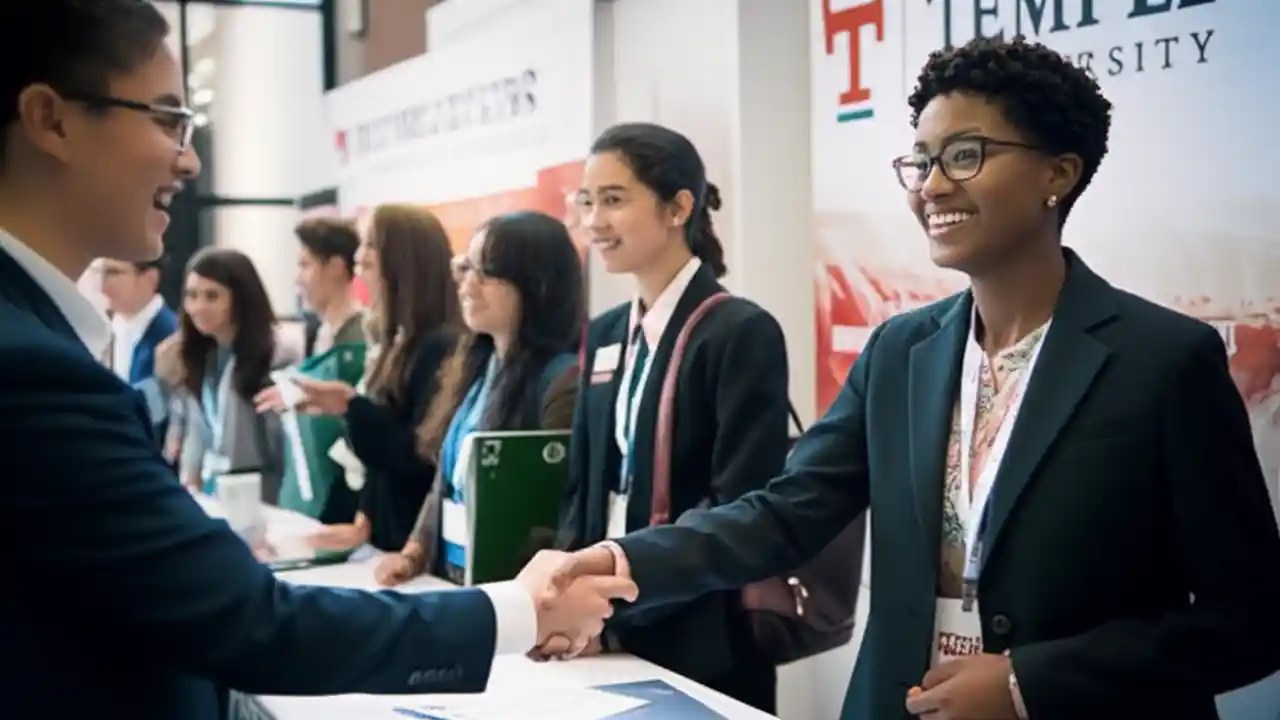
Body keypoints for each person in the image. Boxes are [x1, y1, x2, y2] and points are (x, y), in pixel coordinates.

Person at [536, 38, 1280, 720]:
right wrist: (621, 559)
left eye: (965, 155)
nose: (931, 185)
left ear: (1058, 172)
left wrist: (1031, 683)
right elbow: (785, 512)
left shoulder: (1161, 358)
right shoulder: (901, 351)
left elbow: (1250, 618)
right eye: (921, 160)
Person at [0, 3, 633, 718]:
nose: (189, 157)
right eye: (167, 118)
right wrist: (511, 611)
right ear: (51, 120)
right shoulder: (31, 368)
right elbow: (246, 619)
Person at [545, 122, 790, 713]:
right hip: (604, 632)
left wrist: (624, 599)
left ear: (679, 206)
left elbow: (742, 504)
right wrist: (564, 606)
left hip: (704, 638)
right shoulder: (605, 334)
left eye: (614, 199)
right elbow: (584, 489)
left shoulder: (739, 331)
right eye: (587, 202)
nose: (594, 221)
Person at [375, 210, 584, 587]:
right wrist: (413, 554)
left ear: (535, 285)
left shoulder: (562, 381)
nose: (468, 285)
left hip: (510, 590)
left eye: (486, 273)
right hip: (454, 579)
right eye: (466, 269)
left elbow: (555, 508)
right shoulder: (475, 368)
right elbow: (445, 482)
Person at [281, 203, 464, 553]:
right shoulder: (397, 341)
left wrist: (351, 405)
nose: (359, 258)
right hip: (385, 540)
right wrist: (364, 520)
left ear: (402, 259)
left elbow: (417, 456)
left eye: (370, 245)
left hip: (414, 546)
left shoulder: (442, 345)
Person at [175, 247, 293, 500]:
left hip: (264, 500)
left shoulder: (276, 357)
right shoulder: (203, 357)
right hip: (213, 494)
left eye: (212, 296)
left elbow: (284, 451)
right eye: (192, 295)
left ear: (240, 299)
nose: (198, 306)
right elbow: (196, 433)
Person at [99, 255, 179, 442]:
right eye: (101, 273)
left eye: (114, 273)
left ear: (150, 278)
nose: (104, 286)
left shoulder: (173, 336)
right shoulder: (103, 332)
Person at [294, 216, 364, 356]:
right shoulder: (323, 333)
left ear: (336, 267)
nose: (298, 279)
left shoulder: (361, 335)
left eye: (306, 266)